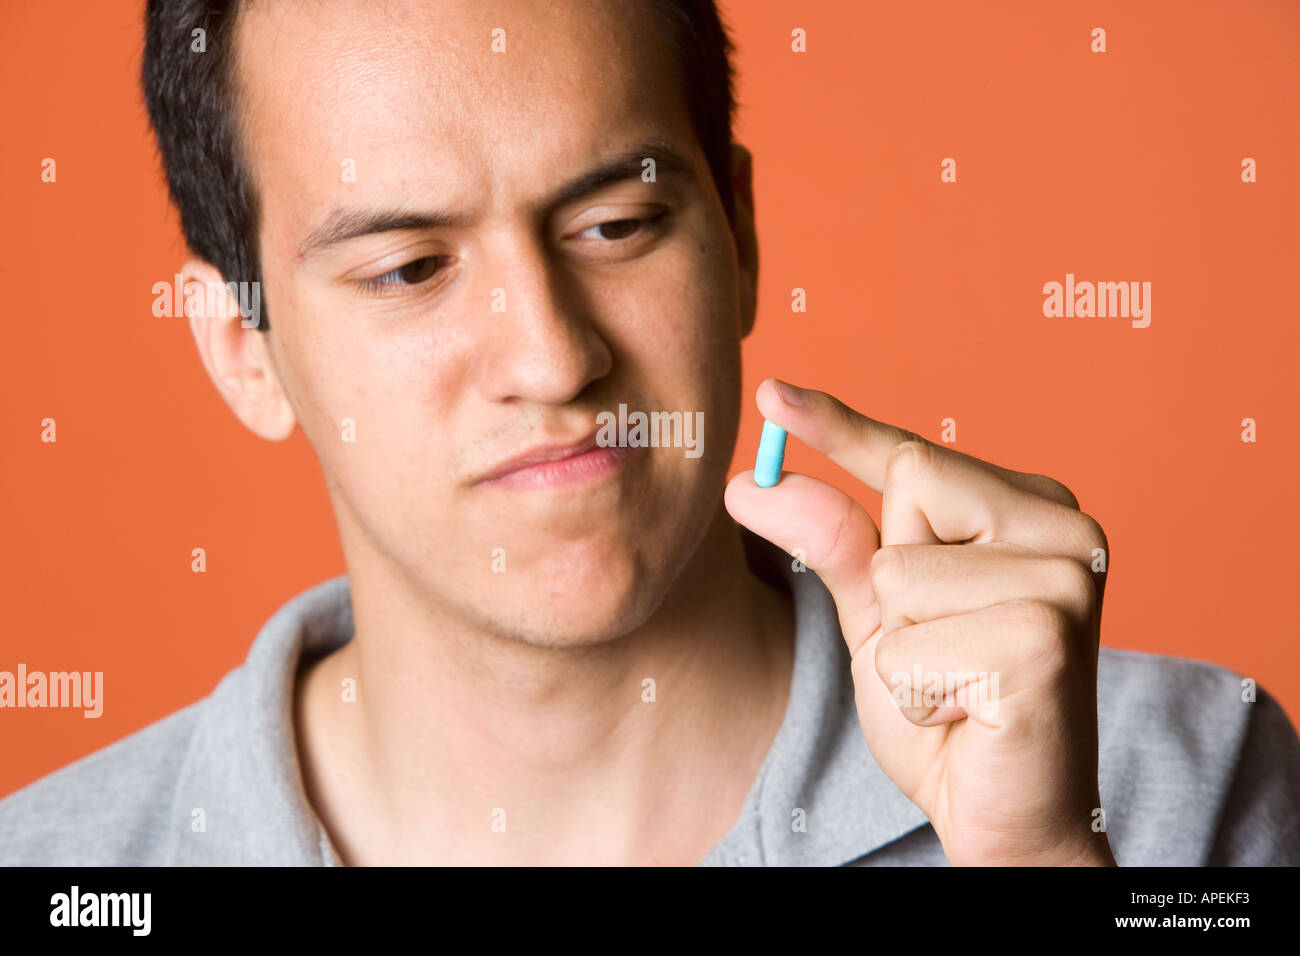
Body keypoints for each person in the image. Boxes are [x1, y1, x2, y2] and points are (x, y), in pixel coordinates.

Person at [2, 0, 1297, 867]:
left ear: (737, 237)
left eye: (616, 226)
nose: (556, 356)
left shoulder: (1178, 785)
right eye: (407, 268)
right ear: (246, 350)